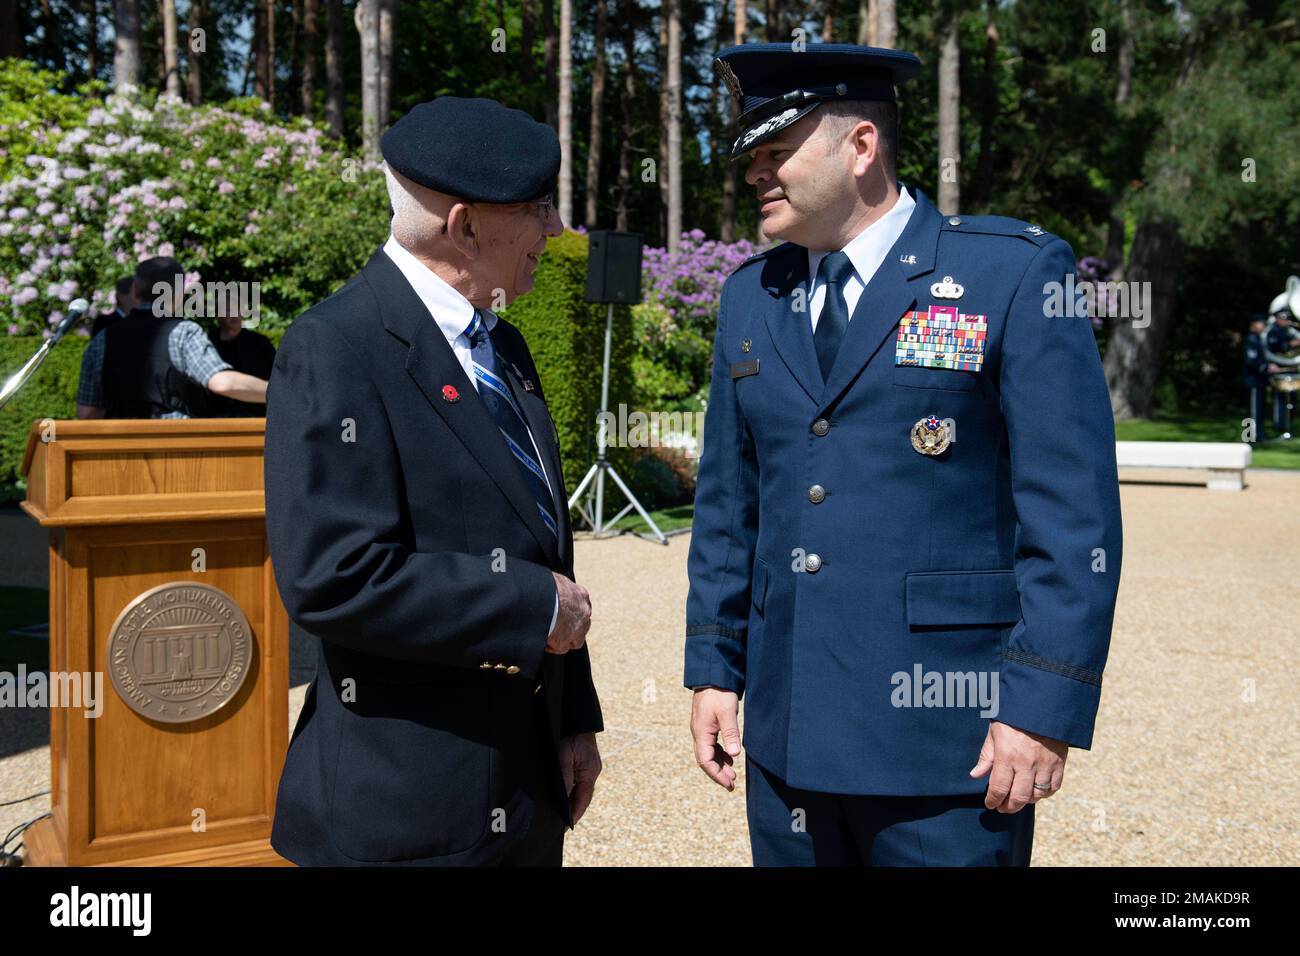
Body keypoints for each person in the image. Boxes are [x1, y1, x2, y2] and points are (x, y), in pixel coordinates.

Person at [685, 43, 1123, 867]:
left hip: (949, 749)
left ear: (860, 147)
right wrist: (715, 669)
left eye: (775, 151)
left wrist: (1040, 707)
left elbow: (1072, 515)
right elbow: (725, 508)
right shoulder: (754, 293)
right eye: (750, 157)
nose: (754, 174)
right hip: (788, 741)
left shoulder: (1009, 273)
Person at [264, 96, 603, 867]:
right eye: (540, 209)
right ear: (465, 226)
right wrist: (533, 605)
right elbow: (333, 577)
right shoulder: (335, 346)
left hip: (525, 792)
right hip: (407, 813)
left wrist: (572, 717)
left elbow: (542, 540)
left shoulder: (503, 343)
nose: (555, 231)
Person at [75, 257, 269, 419]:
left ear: (134, 290)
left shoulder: (103, 339)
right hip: (176, 448)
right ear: (179, 292)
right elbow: (222, 382)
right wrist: (280, 392)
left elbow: (86, 412)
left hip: (119, 454)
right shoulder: (183, 333)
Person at [206, 309, 276, 417]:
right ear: (217, 315)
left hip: (258, 417)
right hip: (218, 418)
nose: (234, 314)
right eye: (228, 310)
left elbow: (276, 376)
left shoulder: (260, 343)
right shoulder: (208, 345)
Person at [1242, 316, 1273, 434]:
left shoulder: (1258, 338)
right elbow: (1251, 360)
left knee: (1258, 409)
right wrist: (1266, 367)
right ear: (1254, 324)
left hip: (1259, 380)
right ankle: (1251, 436)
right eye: (1261, 324)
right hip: (1253, 380)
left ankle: (1257, 434)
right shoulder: (1251, 339)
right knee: (1253, 410)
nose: (1264, 326)